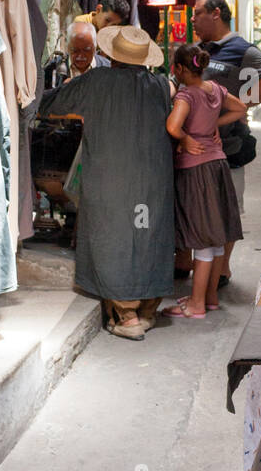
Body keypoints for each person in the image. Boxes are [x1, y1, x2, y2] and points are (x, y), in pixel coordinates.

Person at [37, 25, 174, 340]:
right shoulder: (159, 84)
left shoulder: (96, 81)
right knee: (146, 235)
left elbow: (50, 105)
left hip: (113, 176)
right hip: (153, 178)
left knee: (113, 236)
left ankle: (127, 316)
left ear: (112, 56)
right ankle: (148, 311)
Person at [163, 43, 245, 318]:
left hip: (196, 168)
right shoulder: (216, 90)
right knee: (216, 236)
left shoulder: (186, 95)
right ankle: (209, 297)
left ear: (181, 69)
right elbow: (240, 108)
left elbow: (172, 126)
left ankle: (196, 304)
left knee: (201, 237)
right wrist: (212, 127)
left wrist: (186, 138)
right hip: (218, 164)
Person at [192, 0, 261, 286]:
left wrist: (242, 105)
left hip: (230, 145)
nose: (193, 19)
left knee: (229, 206)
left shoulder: (243, 49)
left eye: (198, 13)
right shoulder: (198, 48)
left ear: (216, 14)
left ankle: (221, 270)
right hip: (199, 144)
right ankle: (197, 266)